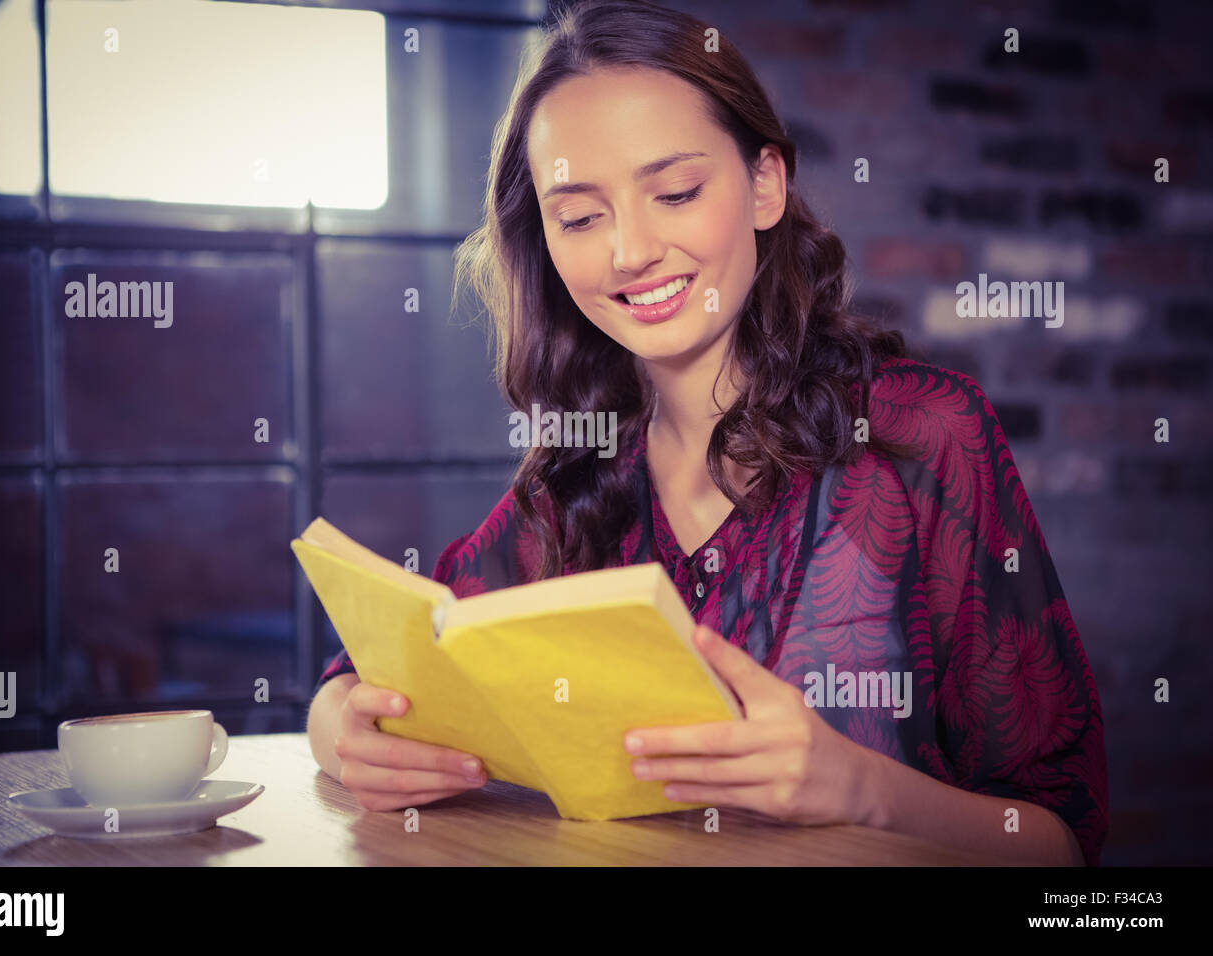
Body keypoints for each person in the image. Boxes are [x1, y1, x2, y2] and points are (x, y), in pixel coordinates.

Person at [306, 0, 1107, 866]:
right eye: (580, 216)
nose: (629, 251)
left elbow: (1058, 841)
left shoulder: (924, 436)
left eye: (676, 192)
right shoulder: (574, 481)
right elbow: (366, 674)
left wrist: (855, 787)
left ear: (765, 184)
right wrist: (343, 730)